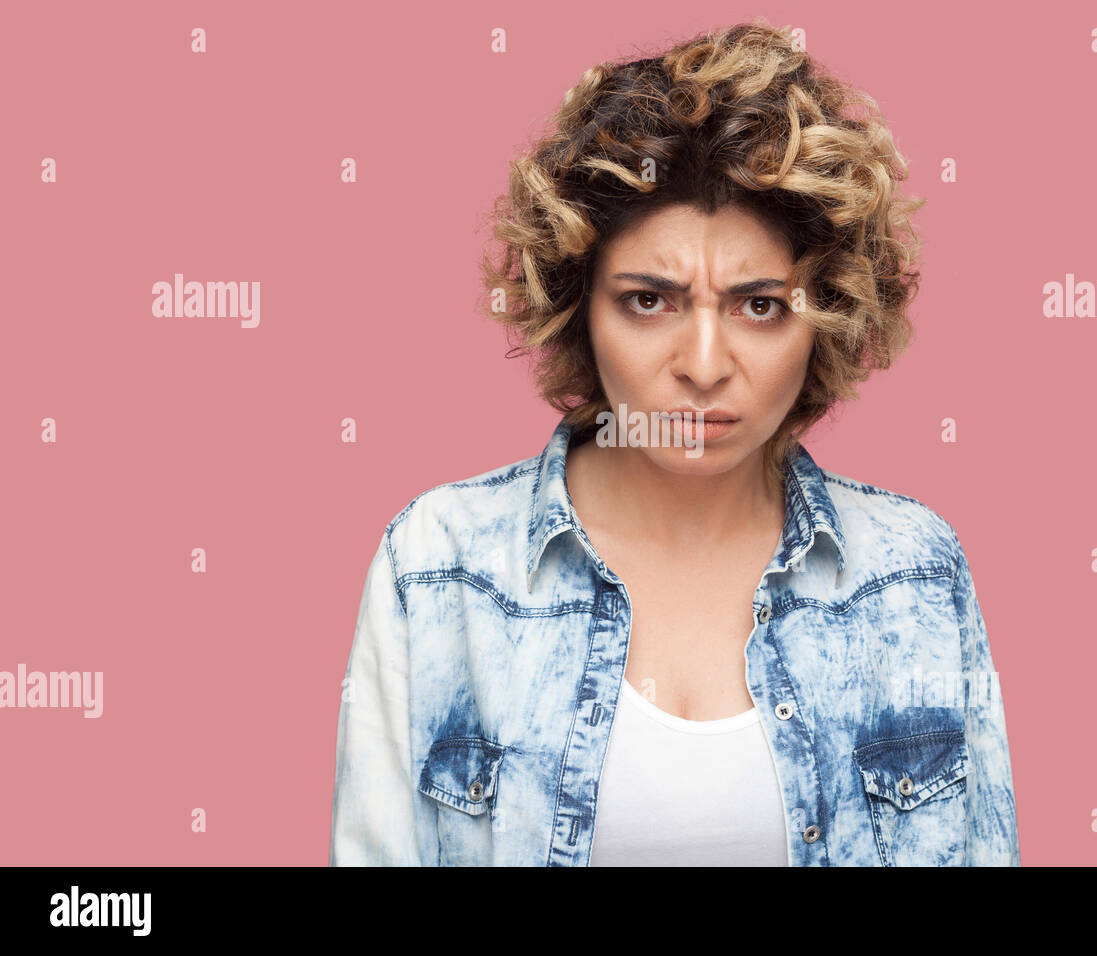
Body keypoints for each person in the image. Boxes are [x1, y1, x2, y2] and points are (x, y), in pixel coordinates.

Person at [330, 19, 1020, 867]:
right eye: (649, 301)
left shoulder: (915, 572)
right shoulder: (438, 567)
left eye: (759, 305)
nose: (702, 366)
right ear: (578, 306)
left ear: (825, 319)